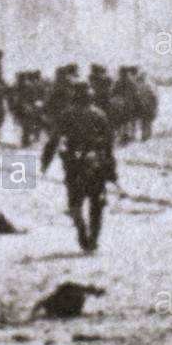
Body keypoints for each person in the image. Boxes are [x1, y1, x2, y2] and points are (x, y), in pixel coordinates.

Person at [41, 80, 116, 253]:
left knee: (74, 201)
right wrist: (111, 170)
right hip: (96, 163)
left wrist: (46, 161)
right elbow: (108, 144)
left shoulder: (66, 115)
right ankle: (94, 239)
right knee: (96, 203)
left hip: (73, 163)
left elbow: (54, 140)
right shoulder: (99, 114)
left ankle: (82, 230)